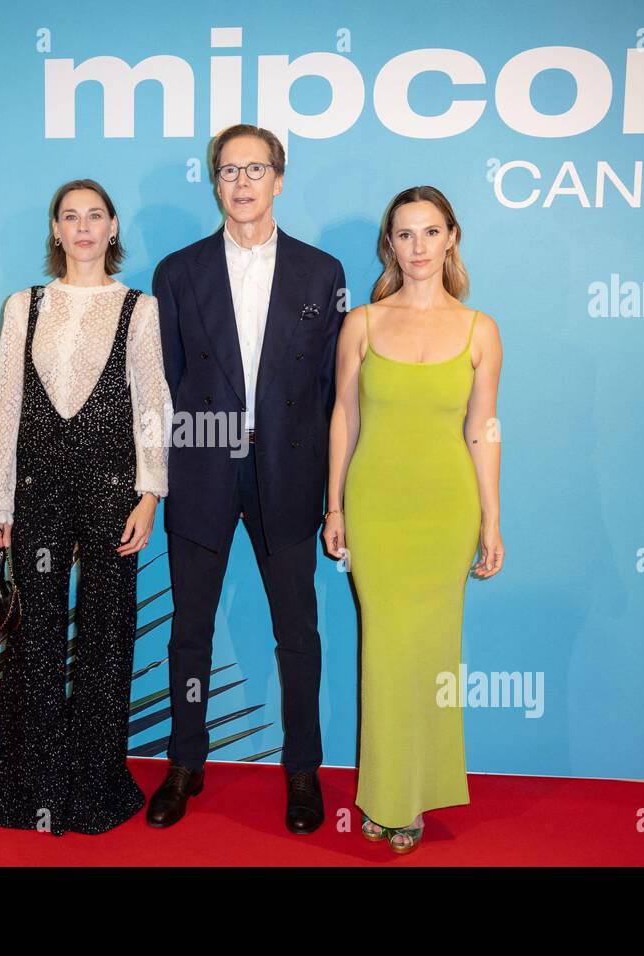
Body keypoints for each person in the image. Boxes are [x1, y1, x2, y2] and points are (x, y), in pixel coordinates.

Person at [147, 124, 346, 833]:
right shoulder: (177, 272)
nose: (242, 183)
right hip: (203, 465)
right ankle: (184, 762)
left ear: (280, 179)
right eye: (229, 170)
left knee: (299, 631)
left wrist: (335, 496)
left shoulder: (323, 273)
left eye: (256, 168)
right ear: (214, 181)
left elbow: (332, 395)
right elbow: (164, 384)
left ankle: (303, 770)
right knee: (189, 632)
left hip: (289, 471)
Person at [0, 178, 173, 836]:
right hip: (37, 488)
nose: (83, 226)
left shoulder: (138, 309)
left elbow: (154, 408)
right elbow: (9, 409)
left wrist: (151, 493)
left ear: (113, 228)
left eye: (95, 216)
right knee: (35, 638)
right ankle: (32, 787)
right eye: (70, 216)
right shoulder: (21, 307)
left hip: (114, 486)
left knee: (108, 638)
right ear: (55, 230)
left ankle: (94, 789)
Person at [324, 185, 504, 854]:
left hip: (446, 511)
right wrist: (335, 503)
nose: (419, 246)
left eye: (431, 232)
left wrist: (491, 518)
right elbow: (345, 414)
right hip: (376, 509)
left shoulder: (480, 327)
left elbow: (484, 428)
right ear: (390, 244)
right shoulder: (363, 322)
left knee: (431, 656)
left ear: (451, 237)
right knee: (386, 650)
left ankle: (413, 795)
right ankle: (388, 795)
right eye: (405, 234)